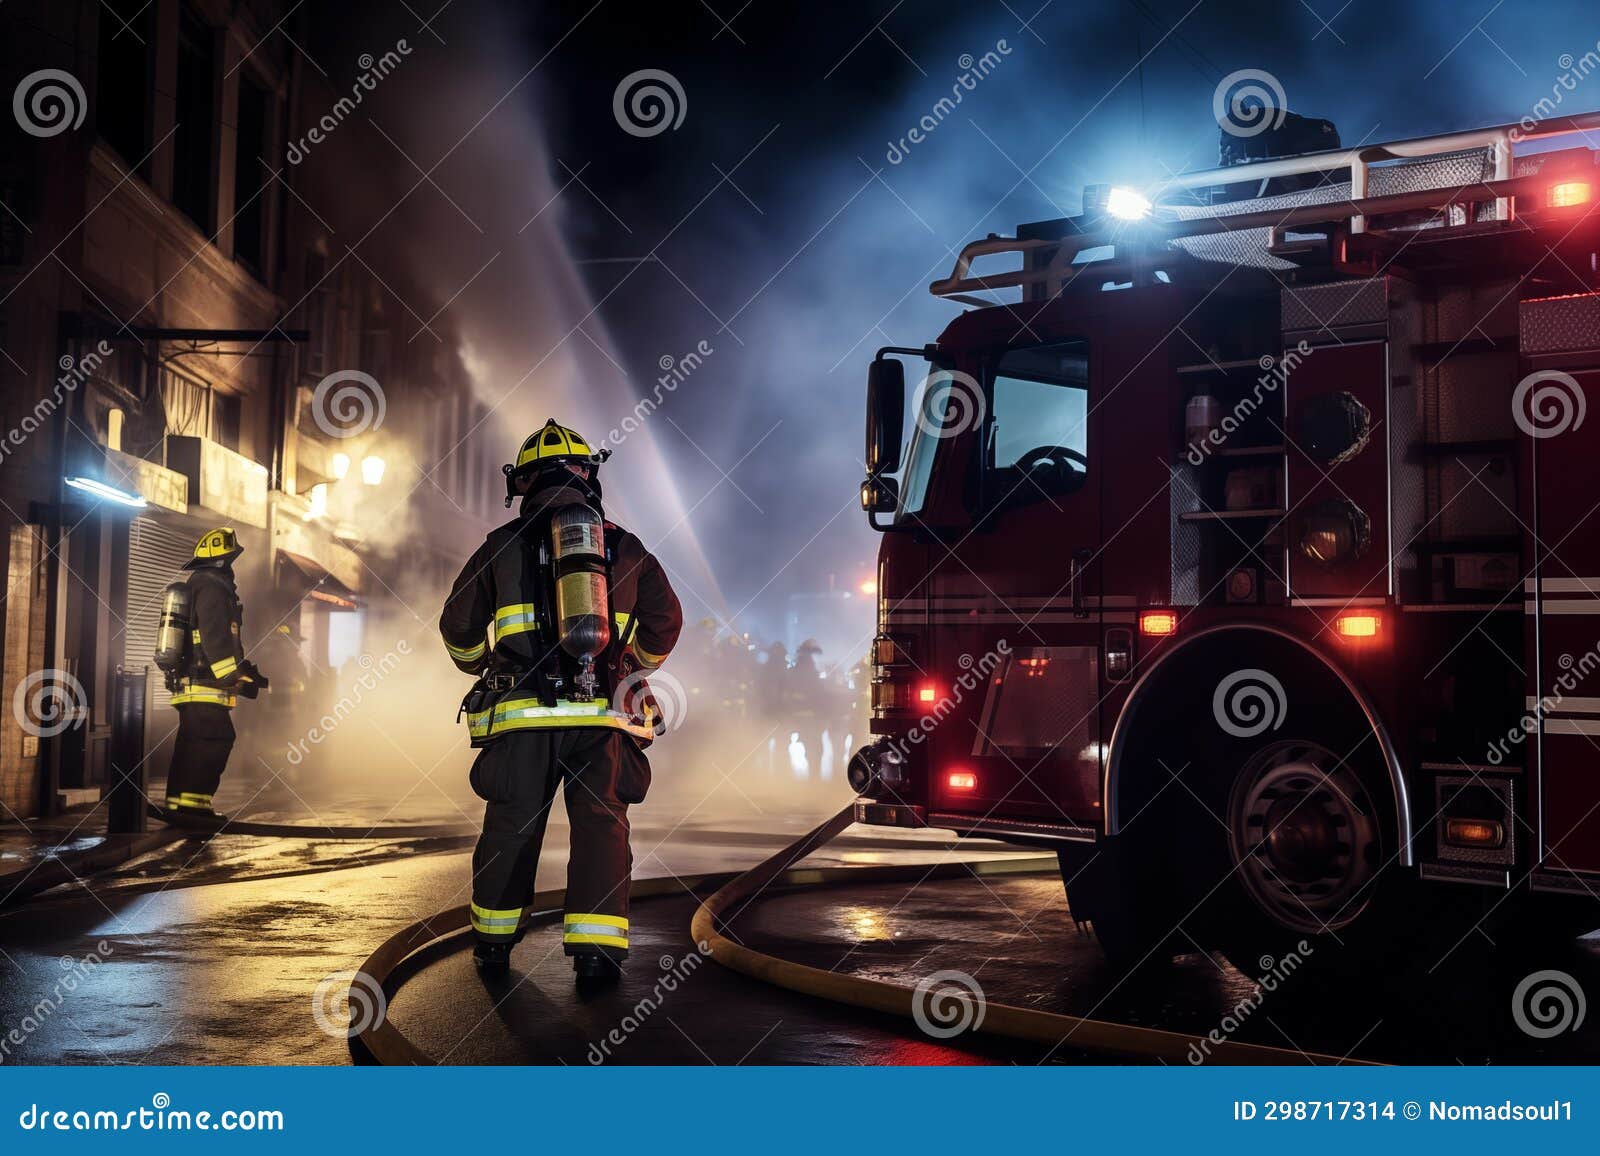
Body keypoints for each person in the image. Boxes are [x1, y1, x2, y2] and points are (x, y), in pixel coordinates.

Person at [440, 419, 682, 985]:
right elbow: (666, 624)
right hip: (605, 718)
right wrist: (628, 666)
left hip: (522, 720)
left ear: (523, 483)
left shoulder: (499, 546)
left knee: (511, 825)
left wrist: (483, 665)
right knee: (601, 826)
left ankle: (493, 946)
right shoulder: (624, 545)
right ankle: (596, 956)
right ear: (588, 476)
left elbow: (458, 627)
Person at [162, 527, 266, 820]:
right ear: (222, 560)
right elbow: (215, 637)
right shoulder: (212, 588)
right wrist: (231, 676)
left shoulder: (199, 583)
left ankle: (178, 804)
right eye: (230, 559)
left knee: (192, 741)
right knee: (216, 739)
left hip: (194, 682)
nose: (232, 565)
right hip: (204, 682)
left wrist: (243, 673)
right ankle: (194, 808)